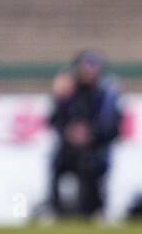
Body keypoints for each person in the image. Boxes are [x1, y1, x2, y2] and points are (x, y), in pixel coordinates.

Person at [48, 51, 122, 218]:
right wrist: (70, 132)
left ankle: (92, 209)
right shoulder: (69, 93)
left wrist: (90, 134)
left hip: (96, 149)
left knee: (88, 165)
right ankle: (55, 208)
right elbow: (55, 121)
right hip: (69, 149)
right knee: (56, 163)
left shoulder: (106, 95)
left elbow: (112, 126)